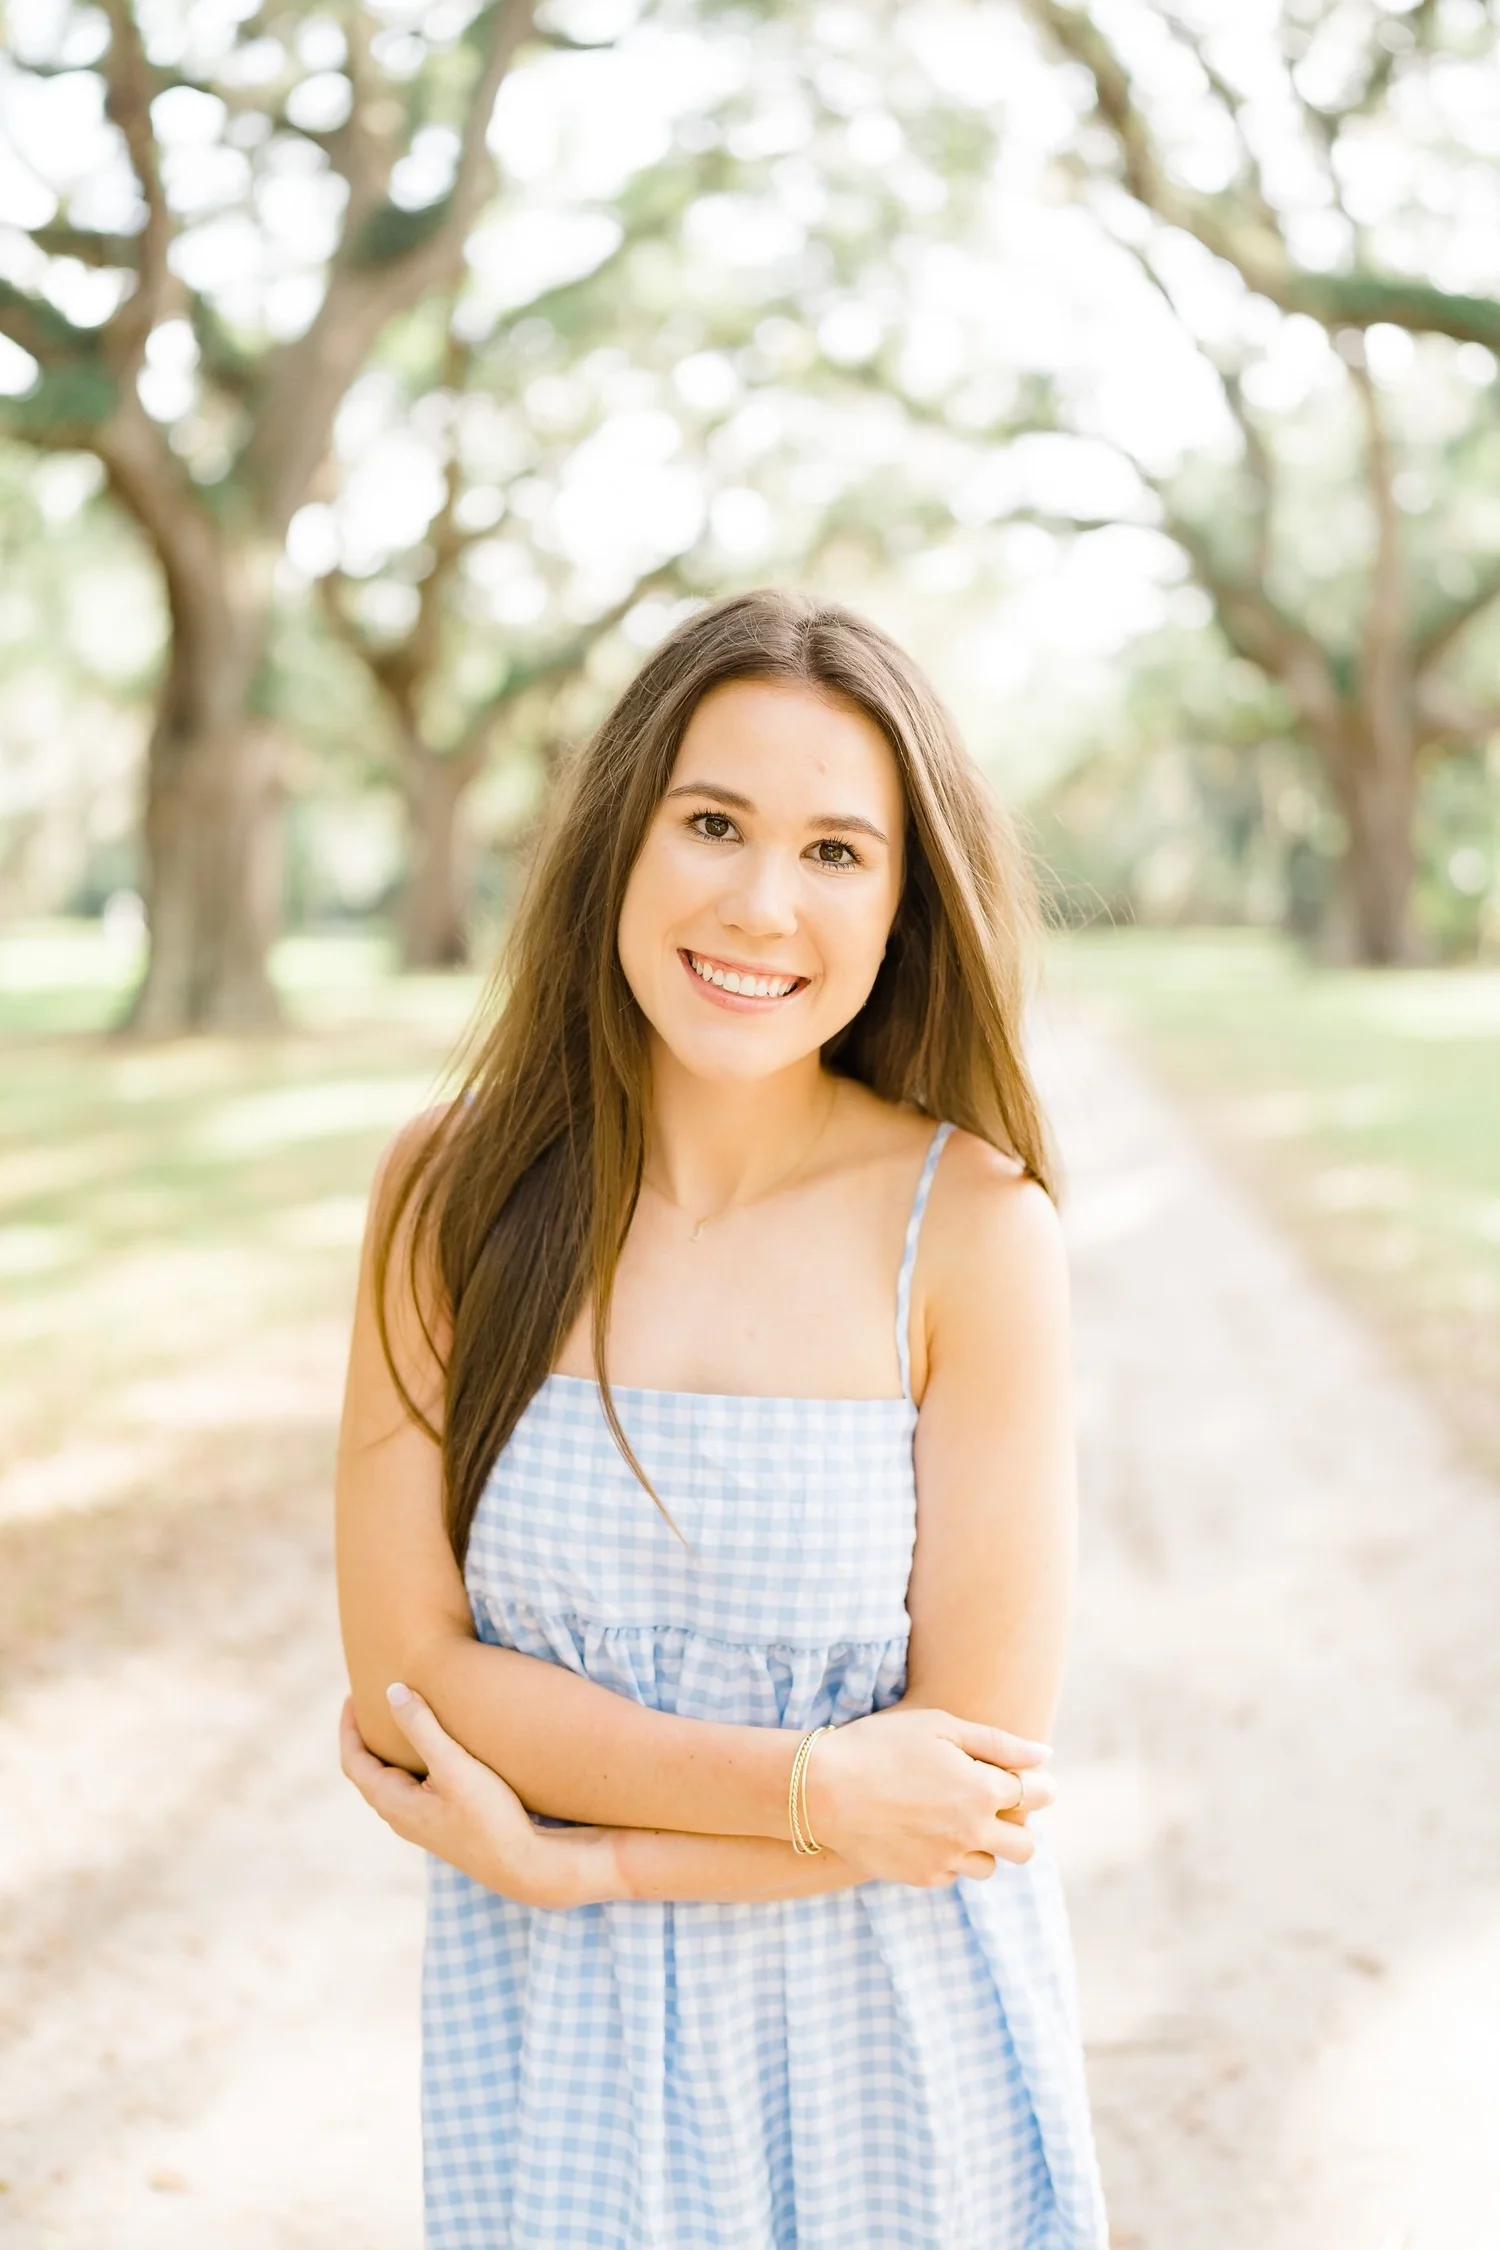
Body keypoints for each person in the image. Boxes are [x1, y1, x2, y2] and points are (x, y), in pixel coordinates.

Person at [334, 588, 1109, 2249]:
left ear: (901, 906)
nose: (762, 902)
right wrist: (820, 1784)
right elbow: (409, 1679)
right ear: (618, 838)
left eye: (836, 851)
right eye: (712, 823)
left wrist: (593, 1860)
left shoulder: (974, 1230)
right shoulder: (452, 1193)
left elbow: (962, 1789)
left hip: (892, 2069)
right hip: (558, 2061)